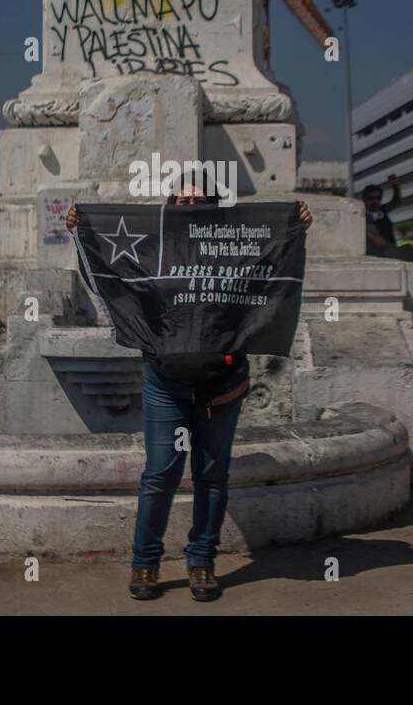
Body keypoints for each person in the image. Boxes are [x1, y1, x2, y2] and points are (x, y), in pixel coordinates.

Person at [67, 183, 312, 602]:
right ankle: (145, 564)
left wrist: (296, 227)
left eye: (199, 200)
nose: (190, 205)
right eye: (182, 200)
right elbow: (106, 279)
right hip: (165, 383)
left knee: (211, 476)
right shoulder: (151, 249)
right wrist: (80, 232)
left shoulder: (238, 248)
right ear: (169, 208)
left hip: (223, 383)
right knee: (160, 474)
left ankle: (202, 563)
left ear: (217, 209)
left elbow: (274, 270)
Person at [361, 173, 403, 257]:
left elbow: (396, 201)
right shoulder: (362, 216)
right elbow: (378, 240)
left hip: (389, 251)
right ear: (364, 199)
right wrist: (394, 248)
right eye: (370, 198)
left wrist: (395, 186)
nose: (375, 201)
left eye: (378, 198)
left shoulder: (382, 210)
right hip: (377, 254)